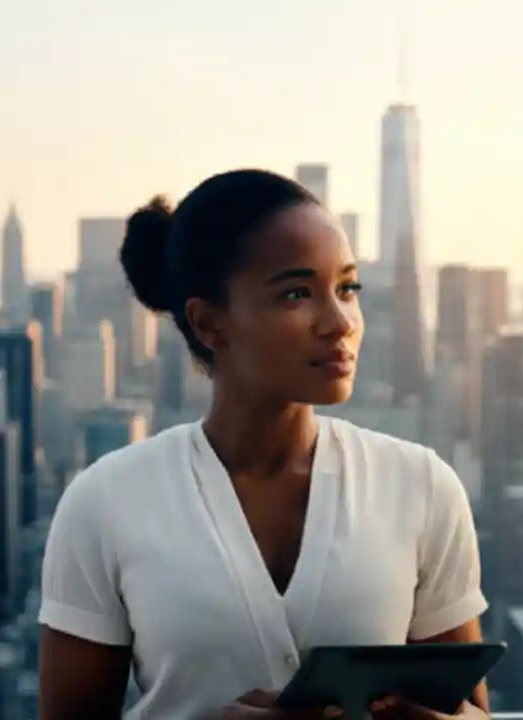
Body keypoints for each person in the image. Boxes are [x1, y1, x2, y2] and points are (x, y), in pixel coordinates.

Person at [38, 169, 490, 719]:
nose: (340, 322)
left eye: (347, 288)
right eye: (297, 294)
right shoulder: (105, 502)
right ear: (208, 323)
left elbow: (470, 713)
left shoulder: (421, 487)